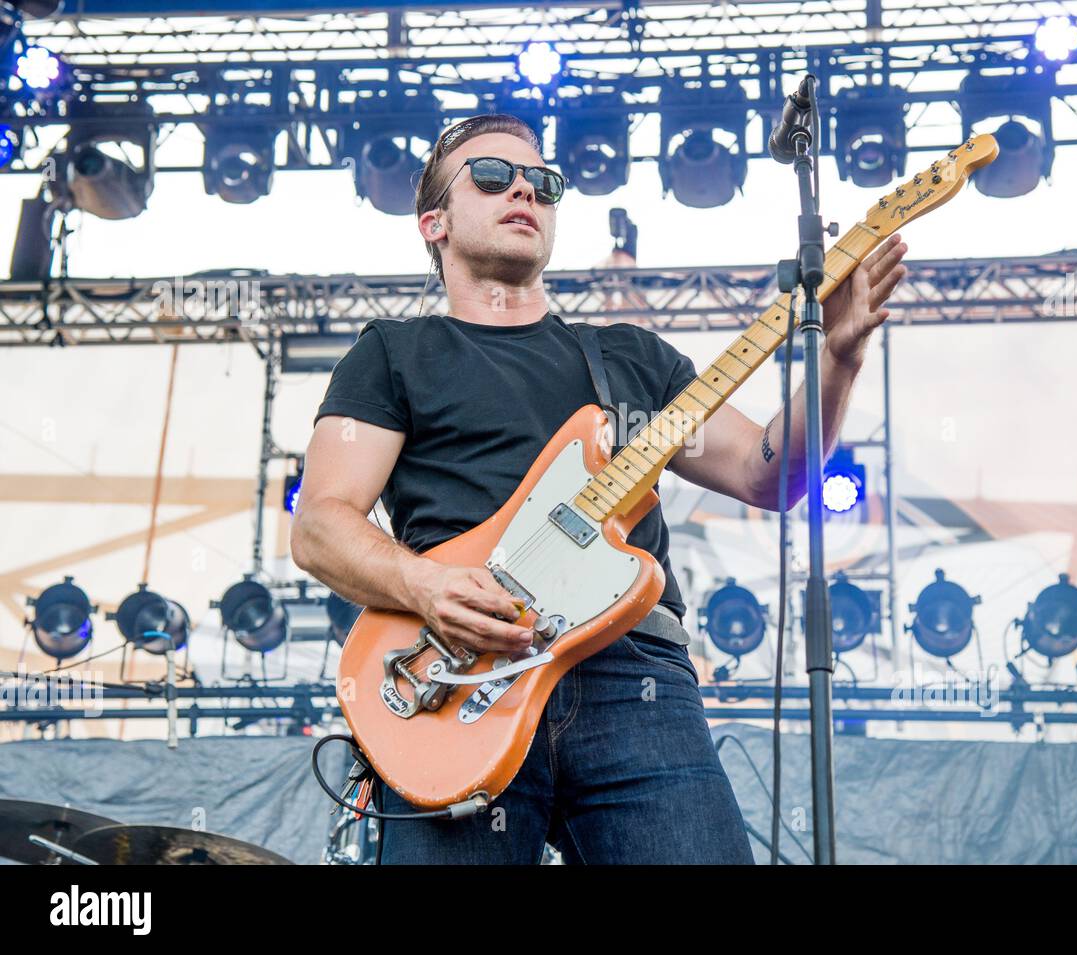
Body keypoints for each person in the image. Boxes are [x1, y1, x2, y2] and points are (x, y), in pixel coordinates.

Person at [290, 113, 908, 864]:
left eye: (542, 182)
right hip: (457, 664)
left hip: (633, 676)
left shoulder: (631, 361)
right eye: (492, 176)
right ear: (435, 221)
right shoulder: (393, 354)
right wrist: (424, 586)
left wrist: (838, 360)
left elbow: (767, 473)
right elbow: (320, 523)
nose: (524, 188)